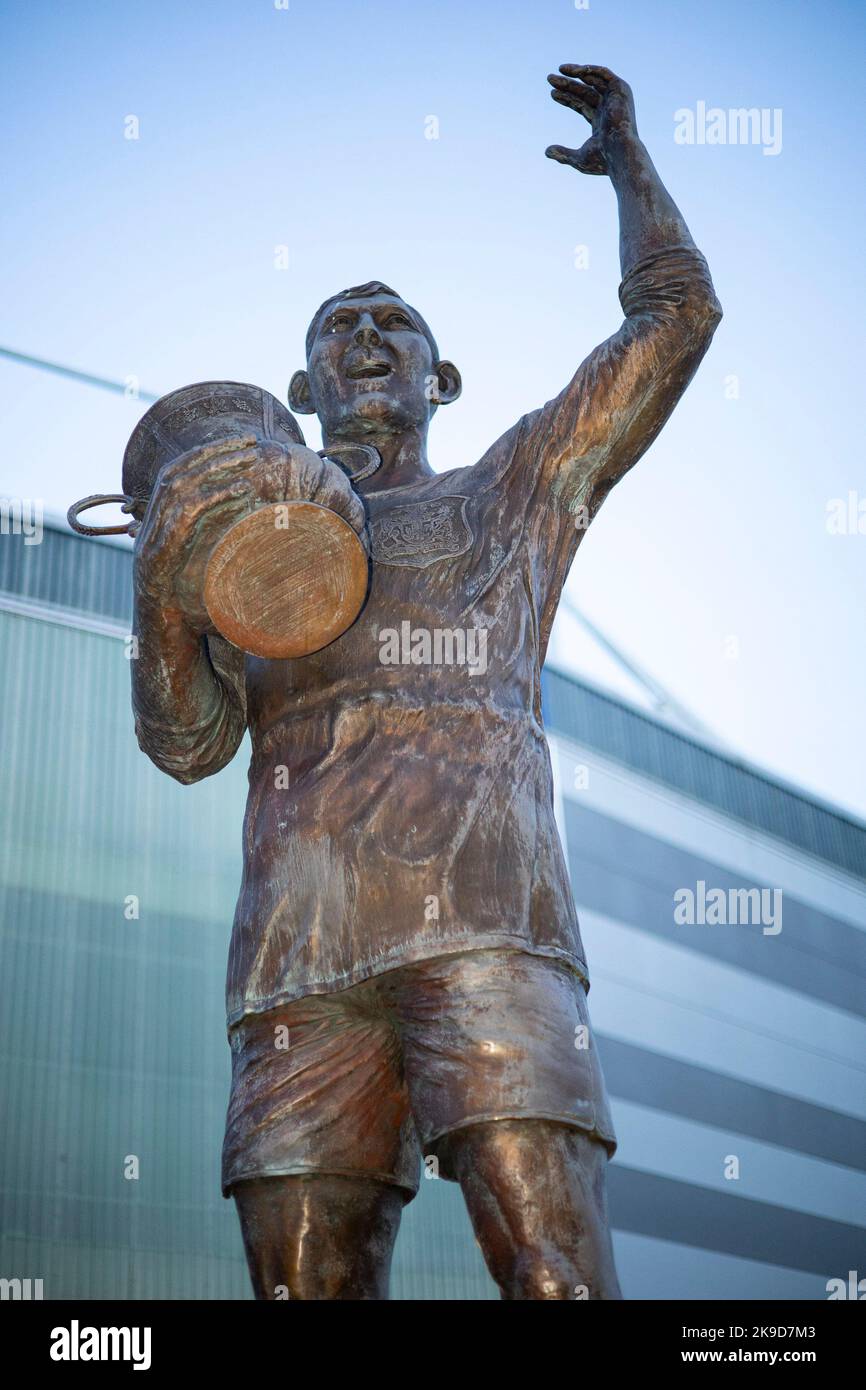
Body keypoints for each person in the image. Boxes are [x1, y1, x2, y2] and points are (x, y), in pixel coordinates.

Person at [131, 64, 721, 1299]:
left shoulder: (509, 493)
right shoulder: (250, 558)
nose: (362, 336)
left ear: (436, 380)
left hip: (489, 937)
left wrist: (624, 159)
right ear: (298, 397)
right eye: (336, 328)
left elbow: (675, 317)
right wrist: (162, 582)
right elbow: (186, 744)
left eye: (391, 323)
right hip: (296, 970)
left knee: (555, 1276)